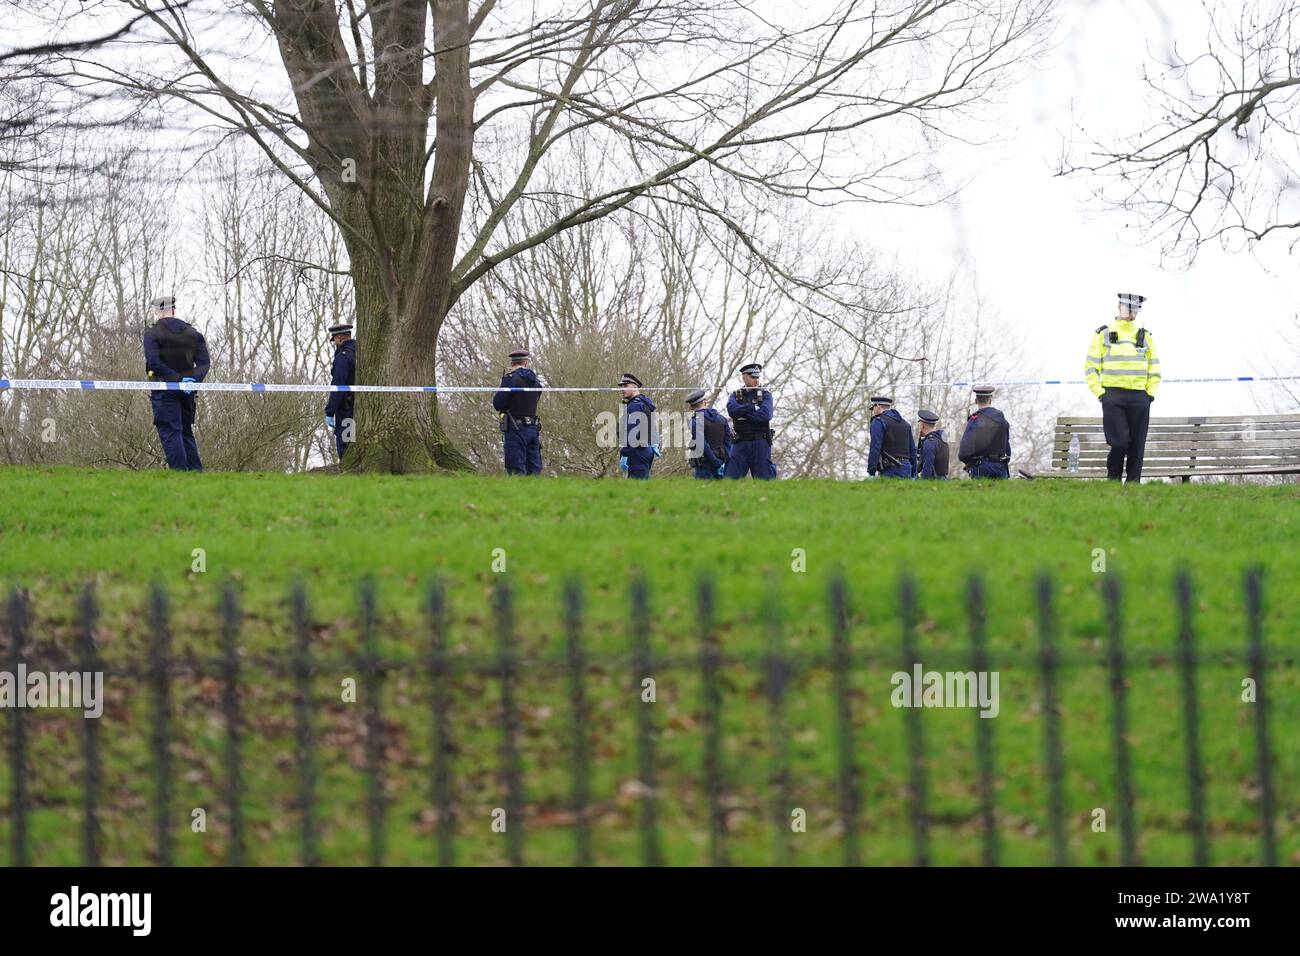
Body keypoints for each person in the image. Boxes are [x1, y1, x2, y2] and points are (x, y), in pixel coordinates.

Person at [1085, 292, 1161, 483]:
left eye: (1136, 307)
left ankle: (1133, 484)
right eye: (1130, 306)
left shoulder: (1145, 336)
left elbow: (1155, 367)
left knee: (1137, 445)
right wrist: (1101, 393)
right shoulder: (1103, 333)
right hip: (1113, 396)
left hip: (1139, 398)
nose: (1133, 311)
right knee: (1119, 442)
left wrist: (1149, 394)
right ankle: (1113, 479)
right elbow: (1091, 366)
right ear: (1119, 307)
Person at [142, 294, 209, 471]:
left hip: (164, 390)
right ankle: (195, 473)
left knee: (171, 431)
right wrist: (192, 381)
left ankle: (180, 475)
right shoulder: (193, 334)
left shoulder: (152, 334)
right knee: (186, 431)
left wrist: (178, 380)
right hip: (188, 392)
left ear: (157, 311)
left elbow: (154, 362)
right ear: (174, 309)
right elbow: (204, 363)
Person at [492, 348, 543, 475]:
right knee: (534, 471)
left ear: (512, 364)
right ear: (526, 363)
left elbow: (498, 404)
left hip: (516, 430)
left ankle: (518, 495)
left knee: (516, 470)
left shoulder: (510, 379)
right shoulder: (536, 382)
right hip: (533, 429)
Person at [725, 363, 777, 479]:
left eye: (757, 377)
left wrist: (742, 416)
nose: (756, 380)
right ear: (744, 377)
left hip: (760, 443)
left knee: (764, 480)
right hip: (740, 442)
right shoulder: (736, 395)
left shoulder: (765, 395)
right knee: (730, 480)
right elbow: (732, 411)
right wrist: (753, 408)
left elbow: (765, 415)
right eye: (753, 377)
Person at [958, 385, 1011, 479]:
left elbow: (964, 452)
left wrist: (969, 463)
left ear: (976, 401)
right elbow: (1007, 447)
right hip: (1001, 467)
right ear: (990, 400)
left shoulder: (975, 420)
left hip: (981, 468)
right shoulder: (1002, 420)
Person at [324, 323, 356, 460]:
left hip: (346, 408)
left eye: (335, 340)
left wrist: (330, 411)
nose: (335, 343)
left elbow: (338, 386)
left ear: (340, 337)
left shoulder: (343, 357)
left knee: (346, 444)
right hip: (357, 404)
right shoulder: (360, 351)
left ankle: (348, 473)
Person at [618, 373, 659, 479]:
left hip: (636, 452)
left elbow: (632, 434)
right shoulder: (644, 403)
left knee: (636, 489)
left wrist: (625, 454)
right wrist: (654, 443)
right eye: (621, 386)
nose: (622, 389)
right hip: (646, 450)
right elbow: (653, 427)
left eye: (625, 386)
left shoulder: (634, 406)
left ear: (635, 386)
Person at [685, 388, 732, 479]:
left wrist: (716, 463)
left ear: (690, 407)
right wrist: (725, 461)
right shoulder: (722, 419)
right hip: (722, 462)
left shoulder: (695, 421)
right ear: (705, 402)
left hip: (705, 465)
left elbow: (702, 444)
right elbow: (728, 441)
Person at [867, 395, 916, 479]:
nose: (873, 411)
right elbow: (912, 450)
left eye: (873, 408)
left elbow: (875, 447)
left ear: (878, 406)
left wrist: (871, 471)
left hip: (890, 470)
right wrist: (914, 473)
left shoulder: (878, 422)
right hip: (907, 468)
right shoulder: (905, 424)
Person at [916, 409, 950, 479]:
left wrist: (923, 482)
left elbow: (927, 467)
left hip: (934, 480)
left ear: (922, 426)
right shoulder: (940, 440)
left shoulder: (929, 442)